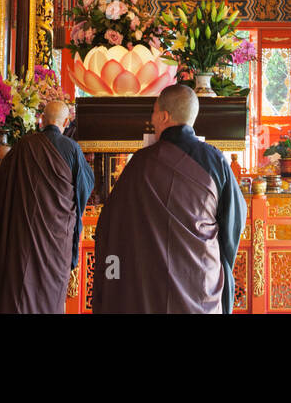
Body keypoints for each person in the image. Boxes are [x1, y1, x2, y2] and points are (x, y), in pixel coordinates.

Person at [93, 85, 246, 314]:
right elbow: (234, 222)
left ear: (164, 116)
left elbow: (111, 223)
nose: (152, 119)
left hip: (147, 290)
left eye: (154, 112)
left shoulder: (140, 163)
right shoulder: (215, 160)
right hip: (201, 285)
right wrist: (215, 260)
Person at [0, 100, 94, 313]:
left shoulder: (22, 146)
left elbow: (2, 184)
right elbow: (85, 187)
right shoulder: (71, 148)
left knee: (19, 291)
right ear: (66, 121)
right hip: (55, 240)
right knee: (49, 296)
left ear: (42, 120)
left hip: (22, 236)